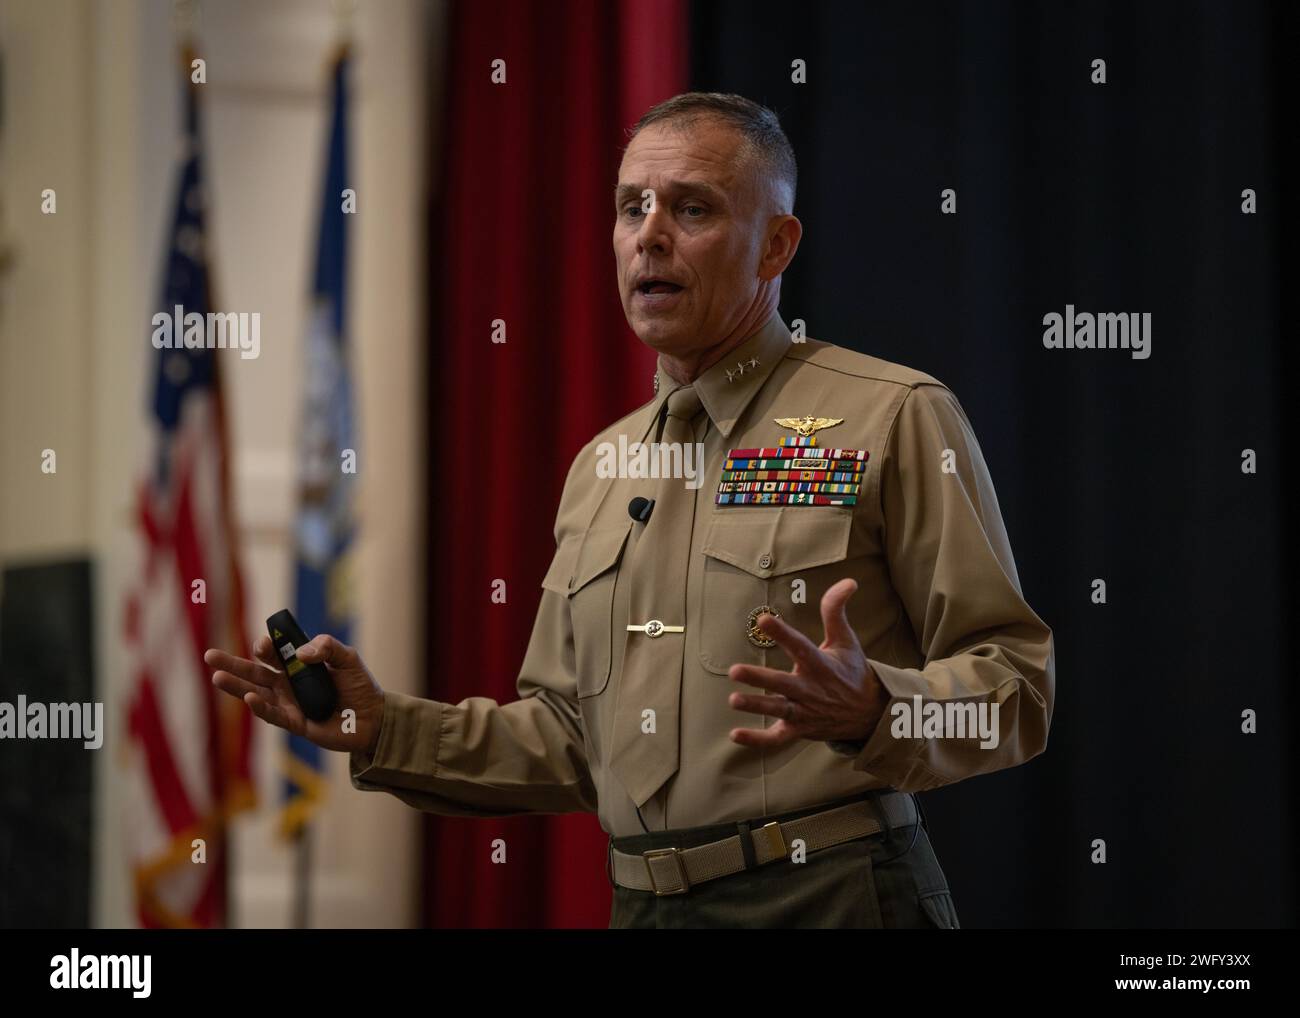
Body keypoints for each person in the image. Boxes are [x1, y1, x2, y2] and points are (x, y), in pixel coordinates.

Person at [206, 92, 1055, 929]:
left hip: (828, 894)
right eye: (630, 208)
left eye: (692, 209)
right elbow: (567, 739)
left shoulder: (894, 415)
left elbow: (1016, 687)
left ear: (776, 245)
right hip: (645, 908)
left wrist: (880, 707)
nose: (649, 235)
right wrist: (384, 727)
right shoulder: (602, 468)